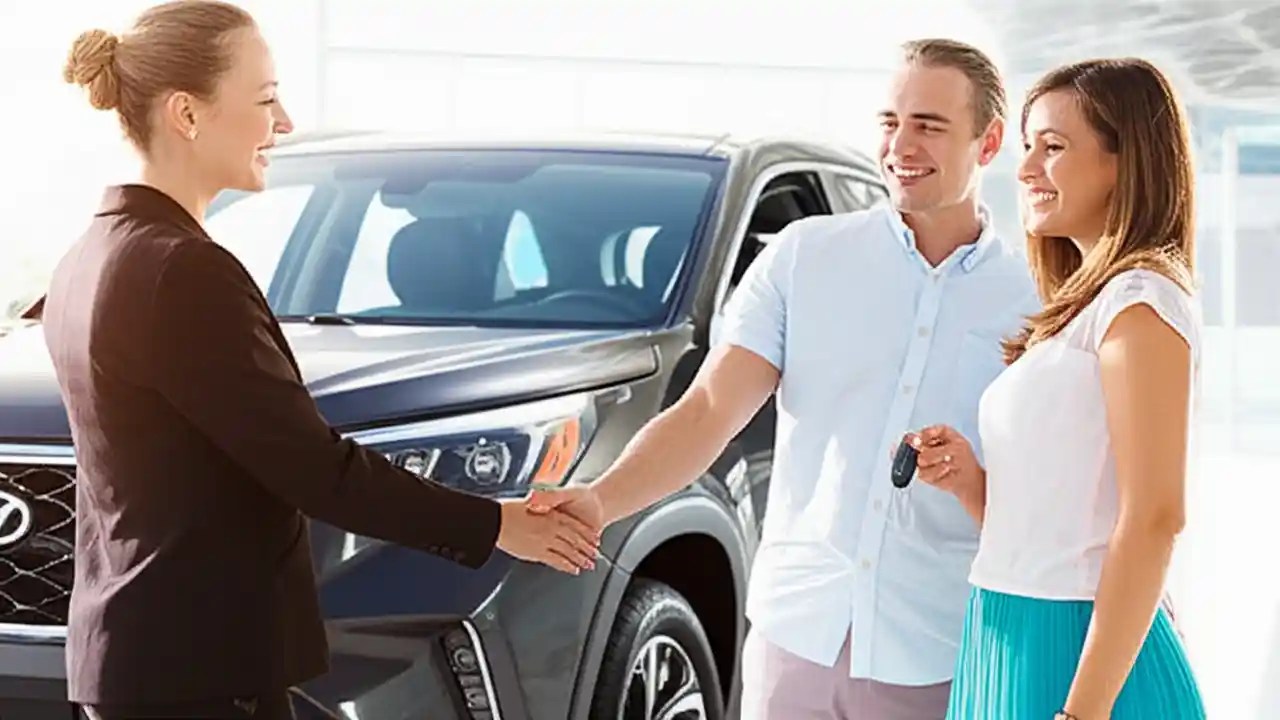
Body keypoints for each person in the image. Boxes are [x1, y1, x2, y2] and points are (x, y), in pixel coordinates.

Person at [49, 2, 599, 719]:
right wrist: (499, 524)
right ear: (187, 113)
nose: (285, 124)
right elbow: (314, 468)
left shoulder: (88, 256)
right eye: (266, 98)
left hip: (138, 660)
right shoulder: (182, 272)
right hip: (199, 676)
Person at [530, 38, 1039, 719]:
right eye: (890, 121)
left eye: (929, 125)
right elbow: (709, 407)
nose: (900, 145)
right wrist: (600, 500)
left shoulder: (1036, 297)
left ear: (990, 140)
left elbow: (1054, 484)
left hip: (943, 646)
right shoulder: (804, 258)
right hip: (798, 635)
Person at [906, 58, 1208, 719]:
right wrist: (973, 485)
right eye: (1027, 146)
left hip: (1076, 660)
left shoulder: (1140, 304)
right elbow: (1063, 530)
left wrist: (1084, 712)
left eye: (1054, 146)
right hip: (1006, 630)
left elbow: (1156, 518)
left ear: (1123, 162)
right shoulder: (1080, 310)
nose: (1024, 169)